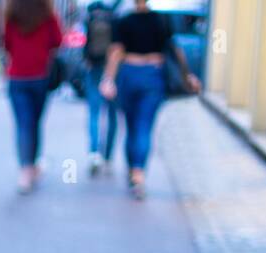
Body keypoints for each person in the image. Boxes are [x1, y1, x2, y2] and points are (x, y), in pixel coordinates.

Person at [99, 0, 200, 199]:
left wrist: (108, 79)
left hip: (129, 73)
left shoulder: (124, 21)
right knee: (145, 127)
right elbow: (175, 50)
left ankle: (132, 170)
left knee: (130, 126)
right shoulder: (161, 20)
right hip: (153, 75)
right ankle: (139, 173)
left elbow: (116, 52)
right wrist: (187, 74)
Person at [2, 0, 62, 194]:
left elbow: (6, 43)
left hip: (17, 76)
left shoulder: (12, 15)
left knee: (23, 124)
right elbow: (57, 41)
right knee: (35, 123)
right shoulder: (47, 15)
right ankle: (32, 165)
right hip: (40, 76)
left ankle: (26, 169)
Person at [82, 1, 118, 176]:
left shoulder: (91, 16)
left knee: (94, 112)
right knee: (112, 114)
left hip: (94, 68)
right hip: (113, 69)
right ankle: (108, 156)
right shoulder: (116, 17)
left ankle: (94, 153)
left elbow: (85, 45)